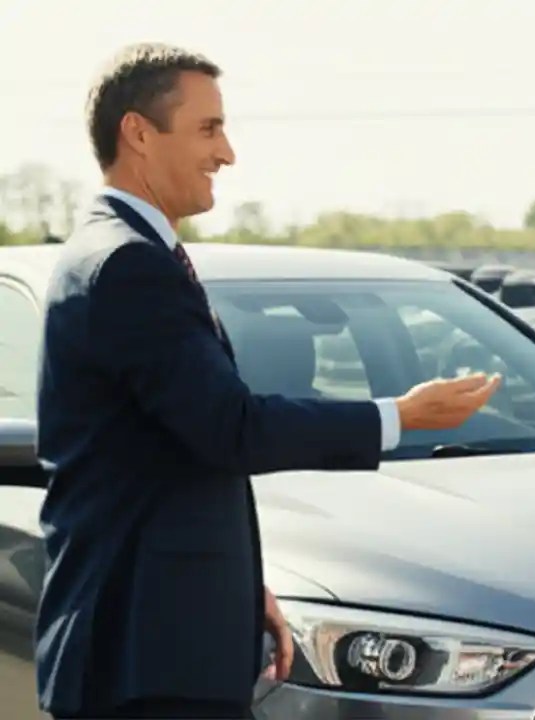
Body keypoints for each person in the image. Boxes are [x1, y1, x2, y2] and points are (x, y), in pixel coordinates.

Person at [35, 43, 501, 720]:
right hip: (145, 664)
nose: (227, 153)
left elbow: (162, 455)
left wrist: (241, 588)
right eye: (208, 128)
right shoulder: (127, 265)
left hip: (160, 644)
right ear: (138, 133)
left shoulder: (120, 253)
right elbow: (232, 429)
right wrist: (398, 415)